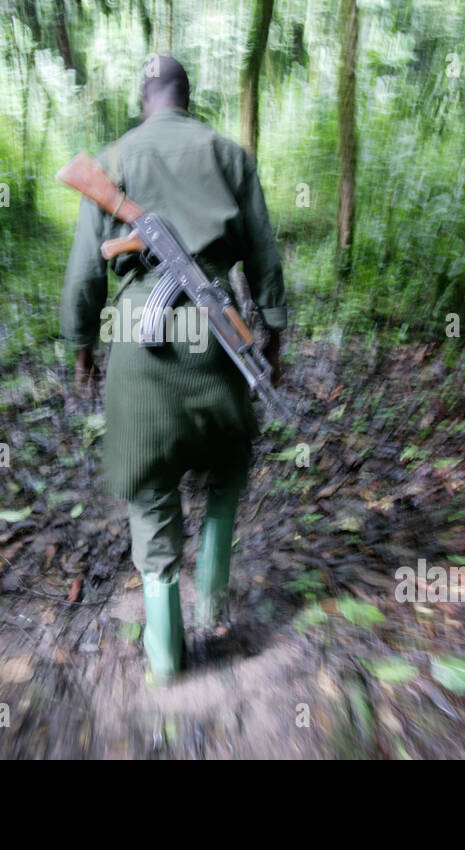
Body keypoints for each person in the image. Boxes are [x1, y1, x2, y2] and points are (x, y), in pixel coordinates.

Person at [60, 55, 288, 685]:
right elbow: (265, 254)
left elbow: (86, 269)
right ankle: (212, 602)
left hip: (141, 342)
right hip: (219, 342)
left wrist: (83, 339)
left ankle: (165, 656)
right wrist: (272, 330)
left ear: (145, 100)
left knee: (150, 485)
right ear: (189, 98)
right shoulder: (229, 154)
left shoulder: (117, 156)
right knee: (228, 464)